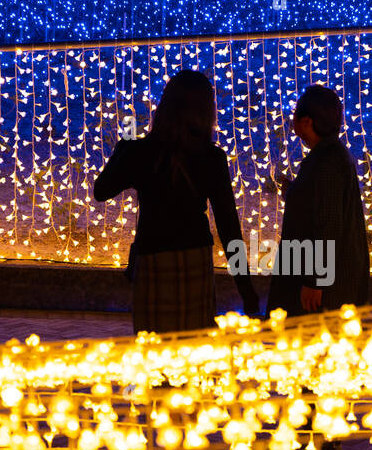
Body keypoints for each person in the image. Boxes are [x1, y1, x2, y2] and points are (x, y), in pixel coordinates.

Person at [94, 70, 258, 333]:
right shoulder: (211, 157)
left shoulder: (143, 152)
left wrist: (125, 145)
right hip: (195, 260)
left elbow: (101, 190)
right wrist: (246, 289)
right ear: (206, 110)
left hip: (153, 260)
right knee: (193, 351)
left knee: (154, 348)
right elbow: (229, 227)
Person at [266, 85, 370, 316]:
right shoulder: (328, 155)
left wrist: (315, 281)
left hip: (325, 288)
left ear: (306, 122)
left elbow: (328, 223)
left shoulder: (328, 161)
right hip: (322, 275)